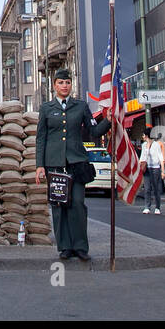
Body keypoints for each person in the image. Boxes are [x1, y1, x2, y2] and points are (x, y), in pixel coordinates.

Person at [35, 67, 111, 261]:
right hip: (54, 164)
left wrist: (108, 121)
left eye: (67, 82)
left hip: (77, 162)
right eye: (61, 83)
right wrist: (40, 165)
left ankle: (80, 246)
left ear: (71, 84)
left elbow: (94, 132)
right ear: (54, 85)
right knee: (59, 206)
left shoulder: (81, 106)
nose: (64, 86)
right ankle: (65, 246)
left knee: (77, 203)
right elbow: (41, 138)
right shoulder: (46, 108)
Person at [140, 131, 165, 213]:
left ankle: (157, 207)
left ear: (147, 135)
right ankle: (147, 207)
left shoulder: (156, 145)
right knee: (147, 188)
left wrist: (163, 171)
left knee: (156, 189)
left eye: (143, 135)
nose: (142, 136)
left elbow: (161, 158)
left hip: (155, 168)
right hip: (147, 168)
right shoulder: (144, 145)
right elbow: (142, 157)